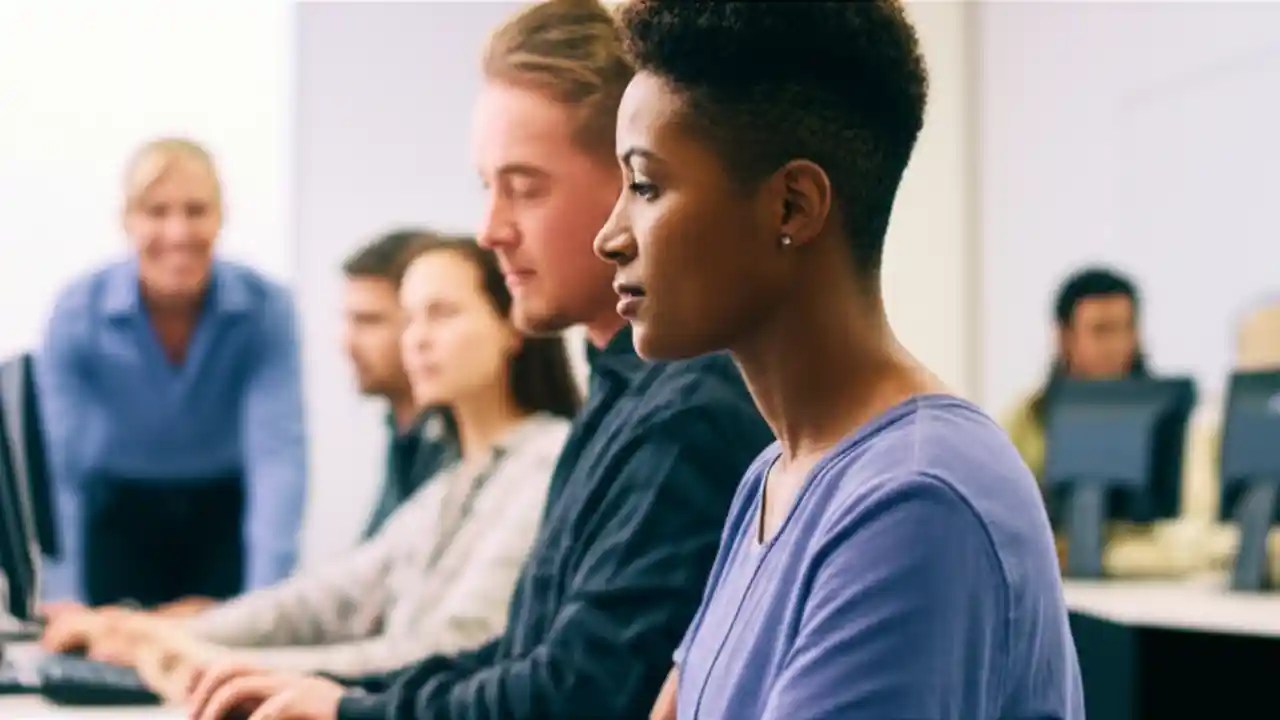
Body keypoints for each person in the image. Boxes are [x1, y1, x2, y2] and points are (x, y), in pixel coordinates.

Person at [185, 1, 772, 718]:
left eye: (524, 189)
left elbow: (577, 697)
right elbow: (522, 656)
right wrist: (340, 699)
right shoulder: (621, 397)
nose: (490, 230)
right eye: (486, 187)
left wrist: (345, 711)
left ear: (633, 184)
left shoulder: (686, 414)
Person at [593, 2, 1083, 718]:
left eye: (645, 186)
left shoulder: (917, 499)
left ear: (792, 207)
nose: (611, 235)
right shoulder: (773, 478)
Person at [74, 238, 576, 686]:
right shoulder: (454, 480)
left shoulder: (547, 463)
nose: (416, 340)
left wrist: (207, 658)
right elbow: (329, 598)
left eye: (441, 314)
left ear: (514, 326)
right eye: (411, 317)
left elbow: (454, 647)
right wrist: (161, 633)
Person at [36, 137, 307, 609]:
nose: (178, 232)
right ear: (127, 220)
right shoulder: (78, 311)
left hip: (222, 517)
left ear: (221, 216)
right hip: (116, 522)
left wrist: (268, 601)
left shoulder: (267, 309)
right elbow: (61, 469)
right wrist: (63, 595)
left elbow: (278, 458)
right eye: (156, 212)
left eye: (196, 210)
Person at [338, 229, 460, 538]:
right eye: (347, 321)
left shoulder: (458, 445)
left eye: (369, 321)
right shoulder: (404, 430)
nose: (347, 343)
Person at [1003, 266, 1148, 481]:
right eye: (1102, 331)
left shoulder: (1169, 421)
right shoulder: (1027, 421)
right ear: (1065, 338)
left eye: (1126, 329)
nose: (1117, 345)